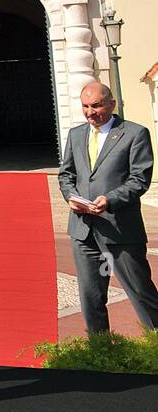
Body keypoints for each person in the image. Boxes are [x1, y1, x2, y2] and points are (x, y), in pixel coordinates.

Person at [58, 81, 158, 333]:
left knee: (140, 292)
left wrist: (110, 199)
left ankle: (154, 344)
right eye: (85, 106)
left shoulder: (135, 133)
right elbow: (66, 175)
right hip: (83, 230)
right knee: (91, 297)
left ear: (112, 104)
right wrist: (70, 196)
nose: (90, 112)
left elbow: (139, 179)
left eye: (96, 105)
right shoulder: (76, 134)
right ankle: (100, 351)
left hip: (120, 229)